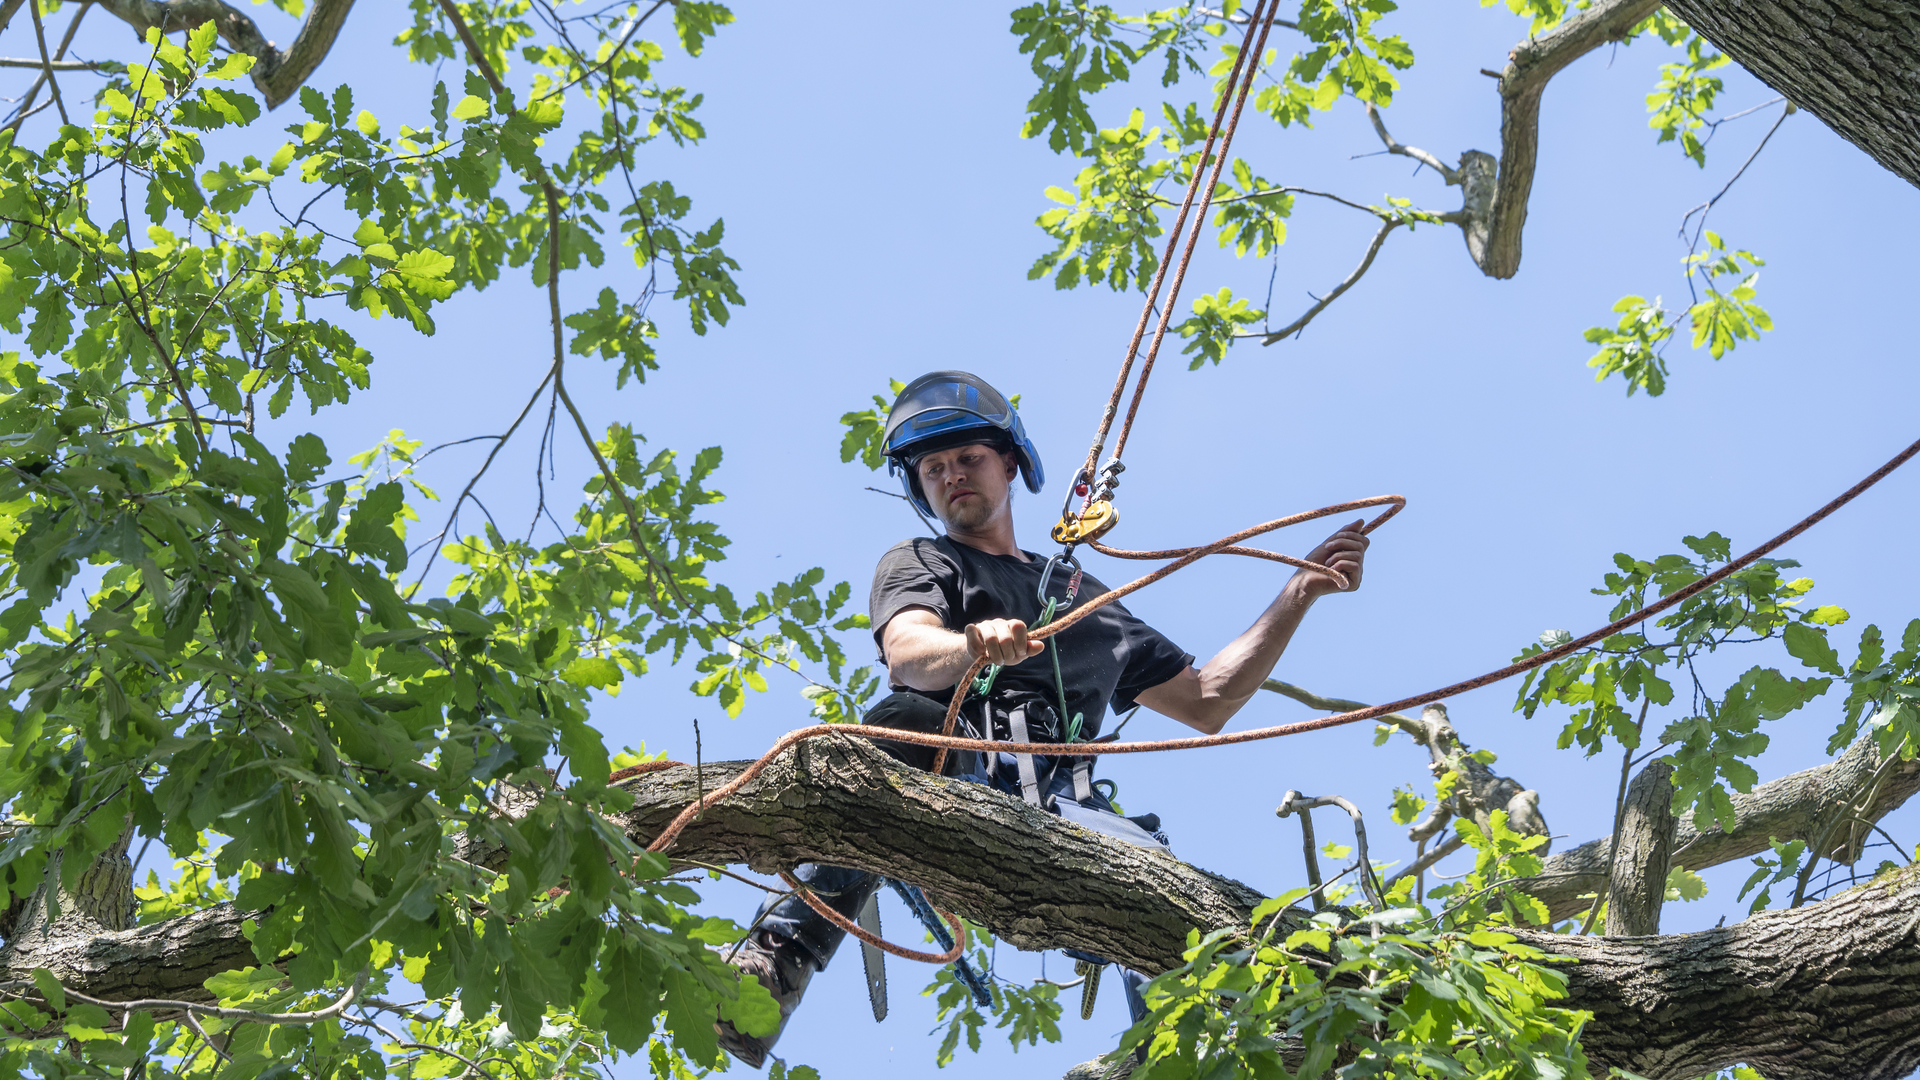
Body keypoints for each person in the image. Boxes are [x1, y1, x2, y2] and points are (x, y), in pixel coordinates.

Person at [714, 371, 1369, 1068]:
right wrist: (971, 643)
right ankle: (779, 956)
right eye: (934, 468)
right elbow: (907, 653)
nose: (952, 475)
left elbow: (1207, 699)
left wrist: (1299, 593)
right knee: (903, 720)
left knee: (1158, 871)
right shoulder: (925, 561)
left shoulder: (1084, 599)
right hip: (951, 779)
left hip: (1062, 814)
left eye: (968, 458)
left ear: (1011, 464)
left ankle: (1194, 1055)